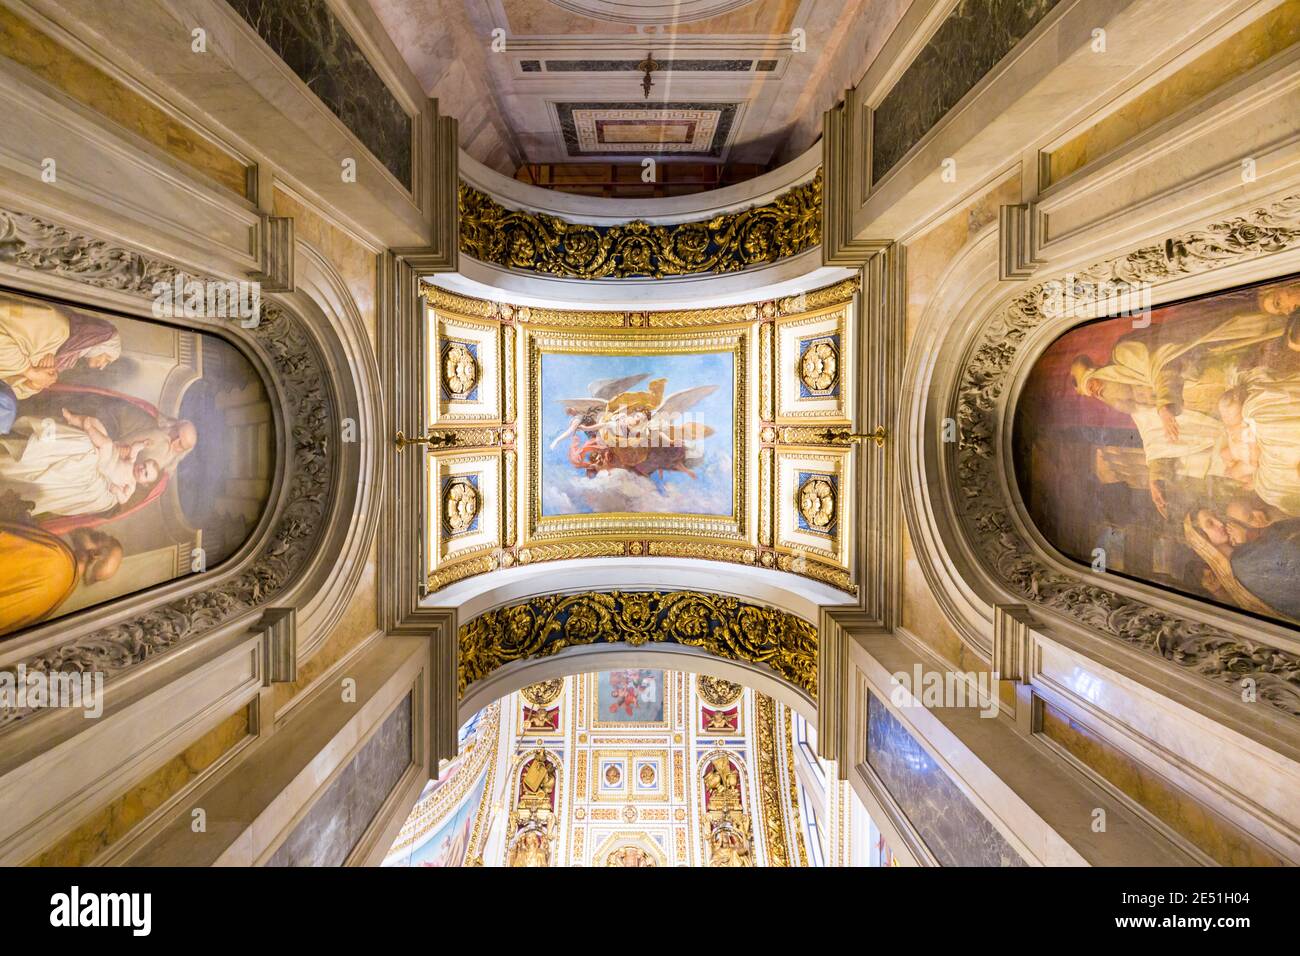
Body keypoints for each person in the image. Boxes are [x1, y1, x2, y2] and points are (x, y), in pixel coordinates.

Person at [0, 409, 159, 517]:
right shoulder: (131, 462)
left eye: (145, 474)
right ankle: (75, 420)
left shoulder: (130, 484)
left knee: (107, 444)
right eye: (144, 465)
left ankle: (88, 428)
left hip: (102, 472)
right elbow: (135, 449)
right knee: (104, 437)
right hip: (105, 460)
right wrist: (144, 444)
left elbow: (123, 499)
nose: (141, 469)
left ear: (144, 483)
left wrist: (116, 489)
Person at [0, 523, 122, 636]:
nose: (91, 528)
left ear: (95, 554)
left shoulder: (55, 561)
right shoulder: (61, 591)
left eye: (97, 536)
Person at [1184, 509, 1300, 622]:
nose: (1220, 523)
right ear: (1203, 539)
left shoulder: (1241, 556)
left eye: (1216, 516)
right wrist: (1250, 535)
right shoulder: (1242, 562)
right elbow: (1294, 555)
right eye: (1210, 523)